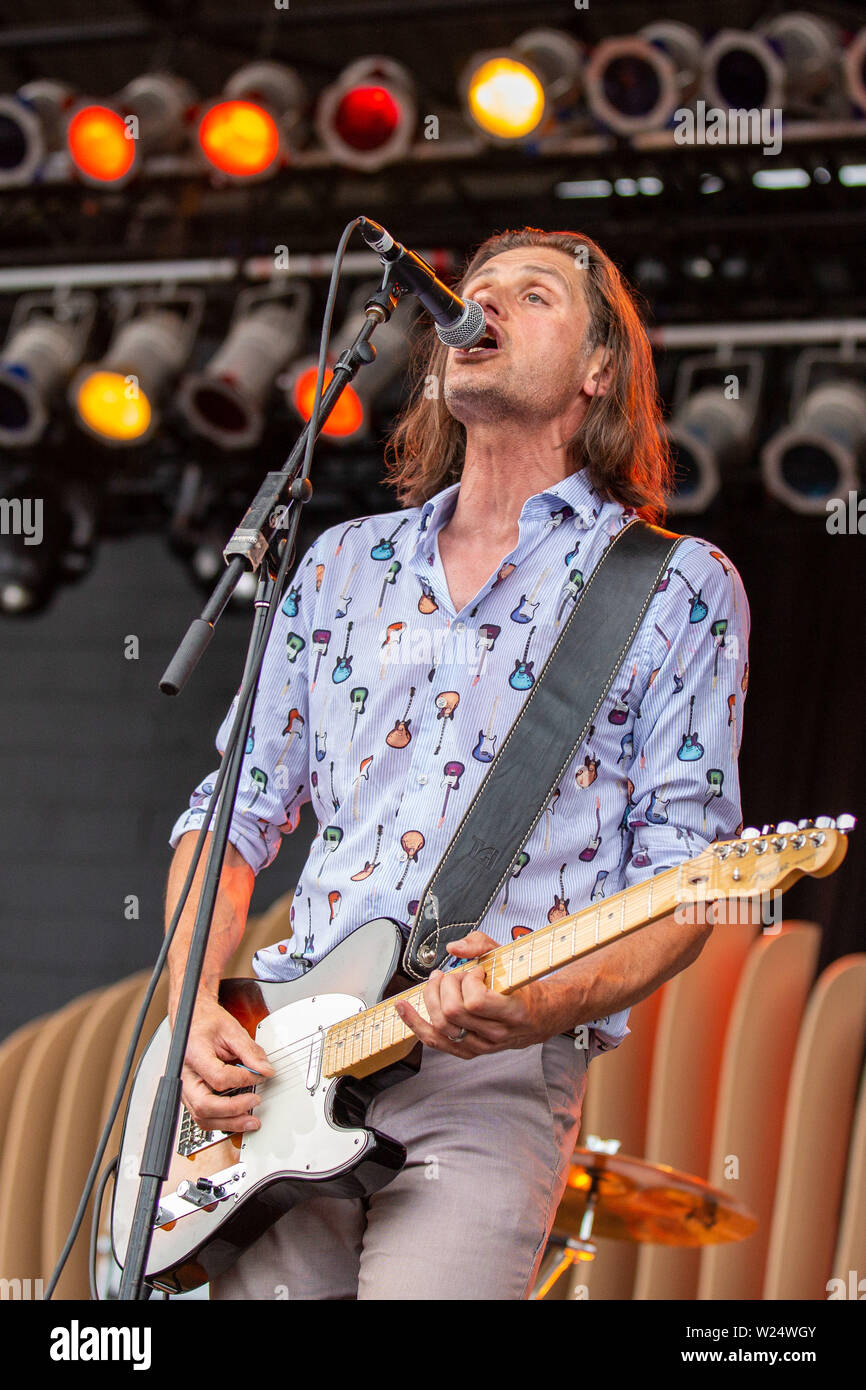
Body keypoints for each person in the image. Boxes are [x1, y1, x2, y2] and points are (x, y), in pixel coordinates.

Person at [166, 227, 750, 1300]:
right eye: (471, 293)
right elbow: (230, 812)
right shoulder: (343, 564)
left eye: (532, 297)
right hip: (285, 1061)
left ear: (596, 371)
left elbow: (688, 886)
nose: (479, 307)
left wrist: (535, 1005)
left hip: (488, 1082)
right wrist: (194, 999)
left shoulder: (673, 588)